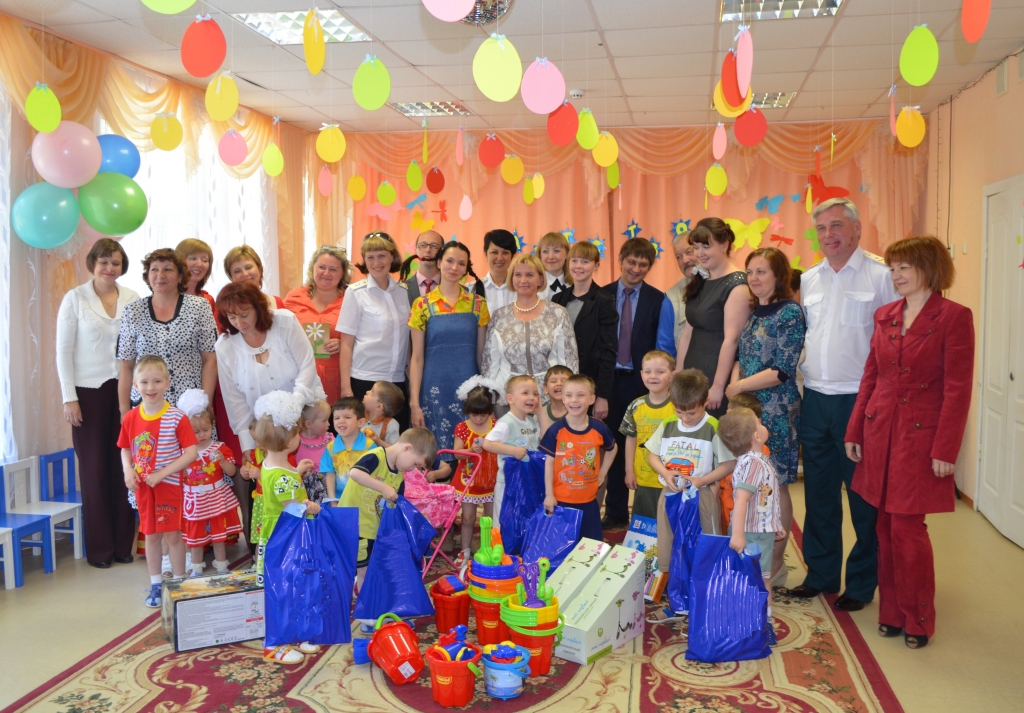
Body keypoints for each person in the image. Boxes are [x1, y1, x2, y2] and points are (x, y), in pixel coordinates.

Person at [845, 236, 974, 649]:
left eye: (904, 267)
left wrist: (945, 449)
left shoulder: (954, 317)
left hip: (921, 438)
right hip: (879, 429)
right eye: (893, 267)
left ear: (929, 269)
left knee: (907, 527)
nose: (896, 275)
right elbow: (872, 376)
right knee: (881, 524)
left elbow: (958, 389)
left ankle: (919, 617)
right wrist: (854, 430)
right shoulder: (886, 314)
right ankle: (891, 611)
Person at [787, 197, 899, 612]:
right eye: (822, 229)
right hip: (815, 397)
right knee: (817, 495)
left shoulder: (881, 275)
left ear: (856, 229)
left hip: (860, 400)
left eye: (837, 226)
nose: (829, 235)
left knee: (863, 499)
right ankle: (820, 575)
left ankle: (862, 583)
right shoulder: (811, 278)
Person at [214, 281, 326, 537]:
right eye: (232, 317)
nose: (239, 323)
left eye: (244, 314)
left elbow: (307, 368)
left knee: (310, 487)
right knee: (276, 493)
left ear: (258, 307)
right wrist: (247, 447)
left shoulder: (284, 322)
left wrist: (291, 411)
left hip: (305, 419)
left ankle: (316, 543)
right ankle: (278, 548)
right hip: (267, 433)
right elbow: (235, 401)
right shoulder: (225, 345)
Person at [56, 239, 140, 569]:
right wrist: (69, 398)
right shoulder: (75, 299)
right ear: (92, 263)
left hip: (126, 393)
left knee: (125, 468)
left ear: (122, 266)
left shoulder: (132, 298)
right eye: (104, 261)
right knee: (94, 471)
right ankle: (101, 550)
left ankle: (123, 545)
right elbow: (62, 352)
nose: (110, 268)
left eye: (116, 263)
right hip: (87, 395)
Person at [726, 247, 806, 589]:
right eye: (750, 272)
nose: (755, 279)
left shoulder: (789, 313)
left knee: (776, 484)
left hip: (775, 409)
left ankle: (775, 567)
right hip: (748, 407)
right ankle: (750, 556)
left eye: (762, 272)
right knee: (748, 482)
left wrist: (737, 386)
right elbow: (744, 356)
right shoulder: (756, 312)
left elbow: (781, 371)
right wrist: (735, 390)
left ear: (779, 275)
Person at [601, 237, 672, 529]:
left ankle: (649, 513)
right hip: (608, 384)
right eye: (632, 261)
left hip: (643, 385)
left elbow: (664, 345)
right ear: (621, 259)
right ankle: (616, 512)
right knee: (614, 446)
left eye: (644, 264)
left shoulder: (659, 299)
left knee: (647, 448)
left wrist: (658, 386)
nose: (636, 268)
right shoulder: (602, 296)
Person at [118, 356, 198, 606]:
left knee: (173, 535)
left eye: (156, 381)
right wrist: (127, 470)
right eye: (144, 382)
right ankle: (155, 584)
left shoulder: (177, 418)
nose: (150, 387)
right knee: (151, 536)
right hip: (144, 490)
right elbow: (125, 448)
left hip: (170, 487)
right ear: (135, 385)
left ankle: (178, 582)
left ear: (167, 383)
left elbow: (191, 453)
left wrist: (162, 474)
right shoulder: (131, 417)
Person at [644, 369, 721, 624]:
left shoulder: (712, 427)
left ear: (705, 402)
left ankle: (702, 606)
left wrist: (702, 481)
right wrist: (665, 473)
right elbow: (652, 455)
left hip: (701, 499)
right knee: (670, 549)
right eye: (680, 412)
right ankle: (677, 604)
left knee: (699, 551)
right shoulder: (667, 426)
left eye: (692, 413)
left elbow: (728, 464)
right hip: (670, 497)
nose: (686, 419)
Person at [250, 390, 321, 664]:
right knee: (283, 590)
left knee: (293, 587)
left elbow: (284, 484)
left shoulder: (272, 465)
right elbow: (295, 507)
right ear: (289, 440)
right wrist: (309, 505)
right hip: (285, 541)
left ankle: (294, 632)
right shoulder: (283, 477)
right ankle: (275, 644)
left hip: (279, 537)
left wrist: (298, 472)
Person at [408, 241, 489, 459]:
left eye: (461, 263)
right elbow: (416, 358)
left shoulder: (478, 304)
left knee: (471, 452)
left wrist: (485, 394)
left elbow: (482, 355)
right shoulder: (422, 305)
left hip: (469, 389)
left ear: (466, 268)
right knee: (434, 453)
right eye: (450, 261)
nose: (454, 267)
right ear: (439, 262)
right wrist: (414, 403)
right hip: (434, 389)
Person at [117, 248, 219, 414]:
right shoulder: (132, 311)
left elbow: (210, 361)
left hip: (190, 407)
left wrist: (205, 405)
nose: (160, 275)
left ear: (180, 276)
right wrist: (124, 412)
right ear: (147, 275)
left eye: (168, 269)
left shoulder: (199, 307)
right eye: (154, 269)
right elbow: (126, 366)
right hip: (146, 407)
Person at [342, 428, 438, 587]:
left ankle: (363, 594)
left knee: (369, 566)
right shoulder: (376, 456)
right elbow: (355, 473)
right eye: (415, 463)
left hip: (373, 528)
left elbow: (394, 506)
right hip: (355, 524)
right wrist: (383, 488)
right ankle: (364, 605)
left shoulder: (399, 478)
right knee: (361, 569)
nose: (413, 469)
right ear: (407, 448)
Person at [677, 218, 752, 418]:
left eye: (706, 246)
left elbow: (732, 340)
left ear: (724, 245)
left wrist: (719, 386)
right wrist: (678, 372)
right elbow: (687, 332)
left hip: (716, 374)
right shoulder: (701, 277)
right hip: (693, 372)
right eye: (696, 247)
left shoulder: (738, 284)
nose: (699, 253)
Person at [337, 233, 411, 425]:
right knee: (366, 444)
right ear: (364, 260)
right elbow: (346, 344)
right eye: (370, 257)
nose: (376, 262)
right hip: (365, 381)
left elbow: (407, 340)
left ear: (392, 257)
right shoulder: (355, 293)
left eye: (382, 255)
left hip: (397, 381)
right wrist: (347, 390)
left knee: (395, 441)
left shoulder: (404, 293)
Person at [481, 253, 579, 396]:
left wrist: (570, 395)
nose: (523, 280)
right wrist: (489, 397)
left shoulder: (557, 313)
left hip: (549, 397)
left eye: (529, 275)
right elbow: (490, 364)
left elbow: (570, 362)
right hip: (509, 398)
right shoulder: (499, 316)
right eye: (518, 275)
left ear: (540, 279)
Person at [719, 407, 784, 609]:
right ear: (756, 436)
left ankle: (756, 620)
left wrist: (774, 524)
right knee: (760, 580)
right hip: (751, 533)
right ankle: (762, 623)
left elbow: (765, 498)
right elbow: (741, 500)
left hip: (759, 530)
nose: (763, 425)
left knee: (756, 577)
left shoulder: (754, 460)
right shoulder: (752, 464)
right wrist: (738, 535)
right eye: (759, 422)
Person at [540, 374, 617, 543]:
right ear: (563, 398)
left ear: (591, 399)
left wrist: (603, 472)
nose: (574, 400)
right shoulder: (556, 430)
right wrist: (549, 495)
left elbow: (613, 448)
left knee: (591, 545)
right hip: (561, 501)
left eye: (580, 395)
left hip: (589, 501)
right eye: (569, 395)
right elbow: (549, 463)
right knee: (562, 546)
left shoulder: (599, 427)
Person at [175, 390, 241, 578]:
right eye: (195, 431)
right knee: (195, 538)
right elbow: (177, 476)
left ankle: (221, 566)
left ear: (213, 425)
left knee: (219, 536)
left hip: (216, 497)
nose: (202, 435)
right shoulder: (184, 452)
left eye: (206, 429)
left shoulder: (220, 447)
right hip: (194, 499)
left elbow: (232, 472)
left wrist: (222, 461)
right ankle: (196, 568)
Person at [552, 241, 618, 421]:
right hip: (562, 385)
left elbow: (609, 351)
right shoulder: (557, 299)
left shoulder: (604, 300)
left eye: (585, 261)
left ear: (596, 265)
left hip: (589, 385)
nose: (578, 266)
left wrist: (601, 396)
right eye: (574, 261)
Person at [284, 246, 352, 405]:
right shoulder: (293, 297)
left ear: (342, 273)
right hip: (297, 377)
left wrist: (345, 344)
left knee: (332, 426)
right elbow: (280, 333)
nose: (326, 273)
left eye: (333, 269)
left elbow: (365, 337)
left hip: (337, 379)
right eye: (322, 267)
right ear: (312, 268)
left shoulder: (351, 299)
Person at [619, 350, 676, 521]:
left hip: (670, 479)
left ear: (672, 375)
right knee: (643, 526)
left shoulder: (678, 407)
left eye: (660, 371)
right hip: (643, 478)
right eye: (648, 371)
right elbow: (630, 439)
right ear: (642, 374)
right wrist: (629, 470)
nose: (653, 376)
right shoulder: (636, 406)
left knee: (667, 523)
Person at [451, 379, 501, 568]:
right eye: (474, 415)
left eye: (483, 415)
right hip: (468, 480)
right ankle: (464, 552)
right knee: (468, 518)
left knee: (490, 518)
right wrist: (471, 450)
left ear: (490, 412)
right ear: (467, 410)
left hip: (490, 480)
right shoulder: (462, 428)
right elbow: (456, 454)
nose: (479, 420)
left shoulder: (497, 425)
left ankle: (488, 549)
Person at [483, 375, 541, 525]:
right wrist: (512, 451)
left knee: (523, 516)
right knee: (504, 516)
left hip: (527, 480)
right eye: (525, 393)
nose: (532, 397)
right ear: (510, 399)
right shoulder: (506, 422)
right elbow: (488, 443)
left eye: (535, 393)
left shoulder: (531, 422)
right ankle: (499, 545)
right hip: (507, 481)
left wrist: (540, 412)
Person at [319, 397, 370, 500]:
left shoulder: (369, 446)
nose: (341, 421)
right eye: (337, 418)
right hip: (339, 499)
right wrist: (332, 500)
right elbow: (330, 474)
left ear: (360, 422)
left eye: (347, 417)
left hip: (364, 499)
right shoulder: (331, 447)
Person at [663, 231, 699, 349]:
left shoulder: (729, 285)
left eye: (689, 252)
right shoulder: (672, 297)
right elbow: (665, 349)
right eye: (678, 256)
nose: (684, 260)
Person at [295, 399, 333, 504]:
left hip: (328, 488)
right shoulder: (296, 442)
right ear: (309, 424)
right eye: (324, 421)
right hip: (305, 493)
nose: (329, 424)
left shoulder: (330, 439)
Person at [223, 245, 284, 309]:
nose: (245, 274)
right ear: (231, 278)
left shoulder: (276, 302)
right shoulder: (225, 308)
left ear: (260, 269)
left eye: (248, 267)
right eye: (237, 271)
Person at [475, 229, 518, 312]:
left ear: (512, 256)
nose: (500, 258)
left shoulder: (521, 287)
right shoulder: (473, 289)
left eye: (505, 253)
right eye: (494, 252)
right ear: (485, 254)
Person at [400, 230, 445, 308]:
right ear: (415, 250)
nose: (428, 250)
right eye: (423, 245)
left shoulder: (458, 290)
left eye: (434, 246)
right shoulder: (400, 290)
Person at [176, 238, 217, 315]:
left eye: (204, 260)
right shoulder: (166, 296)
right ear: (179, 261)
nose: (199, 264)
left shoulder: (208, 300)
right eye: (193, 258)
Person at [362, 381, 404, 446]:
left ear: (379, 407)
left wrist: (378, 441)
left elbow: (394, 449)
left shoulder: (391, 424)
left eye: (372, 392)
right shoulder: (358, 414)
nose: (367, 392)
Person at [538, 364, 572, 438]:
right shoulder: (539, 415)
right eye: (553, 381)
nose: (559, 384)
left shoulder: (577, 412)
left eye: (564, 381)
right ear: (545, 388)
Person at [538, 231, 571, 301]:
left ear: (567, 254)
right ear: (540, 255)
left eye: (556, 251)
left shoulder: (575, 286)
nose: (551, 257)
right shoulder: (533, 286)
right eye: (545, 251)